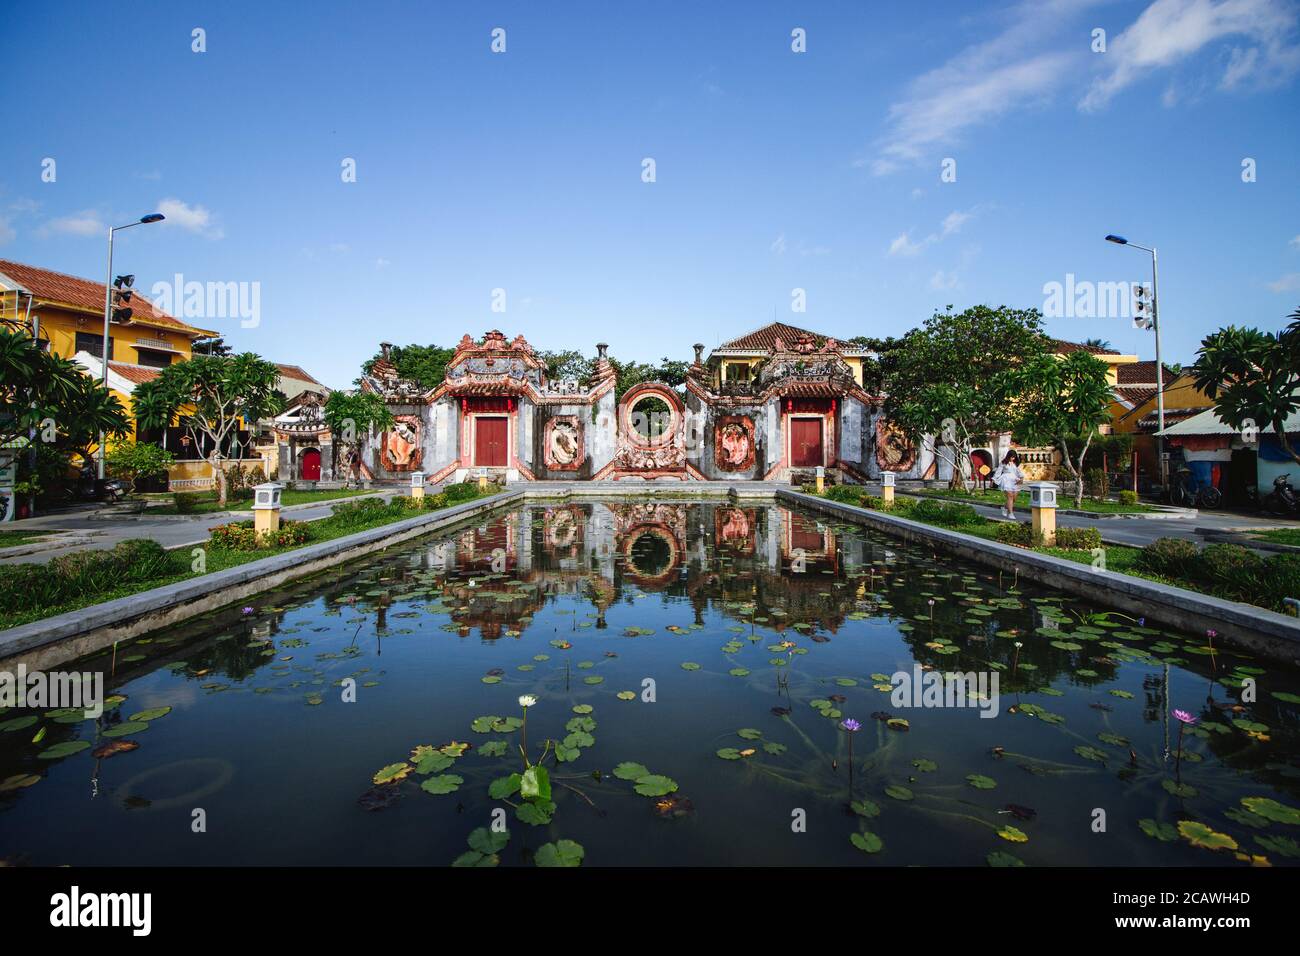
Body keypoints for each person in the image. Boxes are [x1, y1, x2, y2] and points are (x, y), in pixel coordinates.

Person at [992, 450, 1024, 518]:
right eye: (1011, 457)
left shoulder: (1015, 463)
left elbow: (1018, 472)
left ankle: (1005, 507)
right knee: (1010, 496)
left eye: (1014, 457)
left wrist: (1021, 478)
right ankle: (1010, 513)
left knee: (1014, 498)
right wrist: (993, 479)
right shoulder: (1003, 462)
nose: (1012, 458)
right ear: (1008, 456)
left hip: (1014, 480)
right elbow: (998, 471)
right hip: (1005, 480)